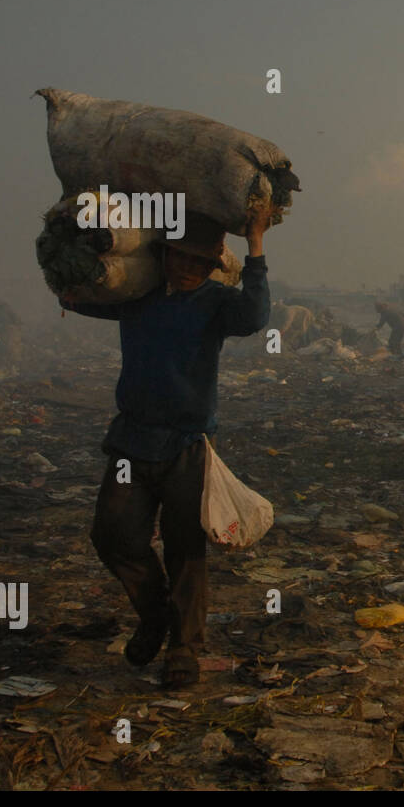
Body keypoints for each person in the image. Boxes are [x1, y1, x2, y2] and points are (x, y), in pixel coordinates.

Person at [58, 209, 271, 689]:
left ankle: (184, 648)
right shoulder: (139, 296)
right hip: (131, 444)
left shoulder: (216, 303)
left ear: (213, 264)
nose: (189, 268)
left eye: (201, 261)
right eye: (181, 256)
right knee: (112, 535)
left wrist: (256, 244)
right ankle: (156, 616)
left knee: (186, 550)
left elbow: (256, 316)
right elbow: (85, 294)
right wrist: (75, 254)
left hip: (187, 447)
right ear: (164, 255)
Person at [0, 296, 23, 370]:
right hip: (8, 330)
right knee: (9, 346)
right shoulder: (3, 308)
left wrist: (17, 326)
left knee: (10, 347)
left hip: (9, 330)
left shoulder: (0, 310)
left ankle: (13, 364)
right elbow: (15, 316)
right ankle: (12, 365)